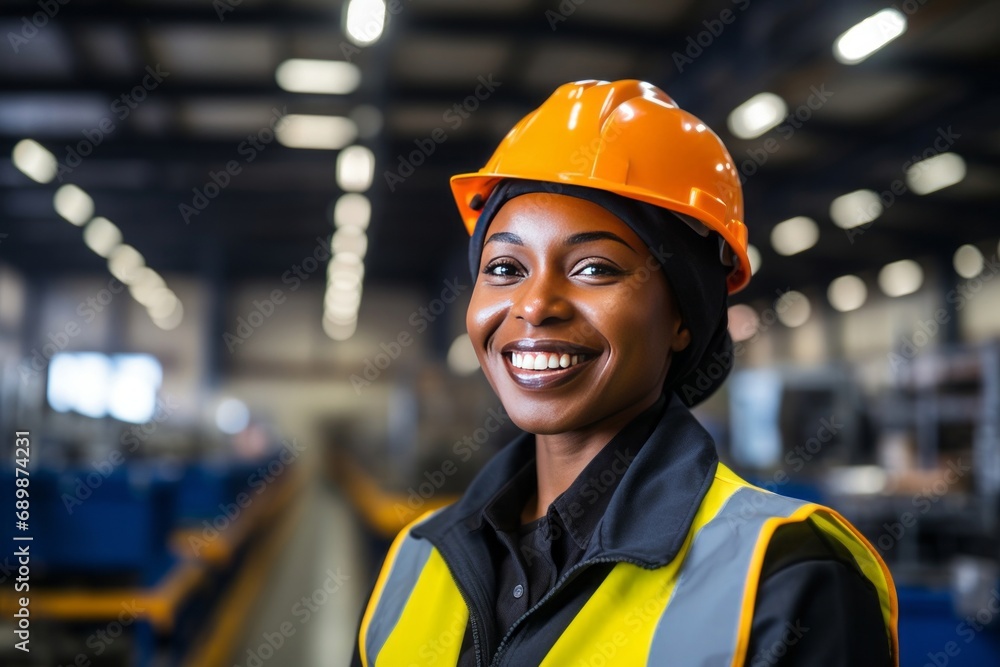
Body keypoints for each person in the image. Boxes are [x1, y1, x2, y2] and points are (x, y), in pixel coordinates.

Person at [353, 79, 897, 666]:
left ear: (684, 317)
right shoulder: (416, 559)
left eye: (593, 268)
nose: (534, 305)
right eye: (505, 267)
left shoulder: (788, 577)